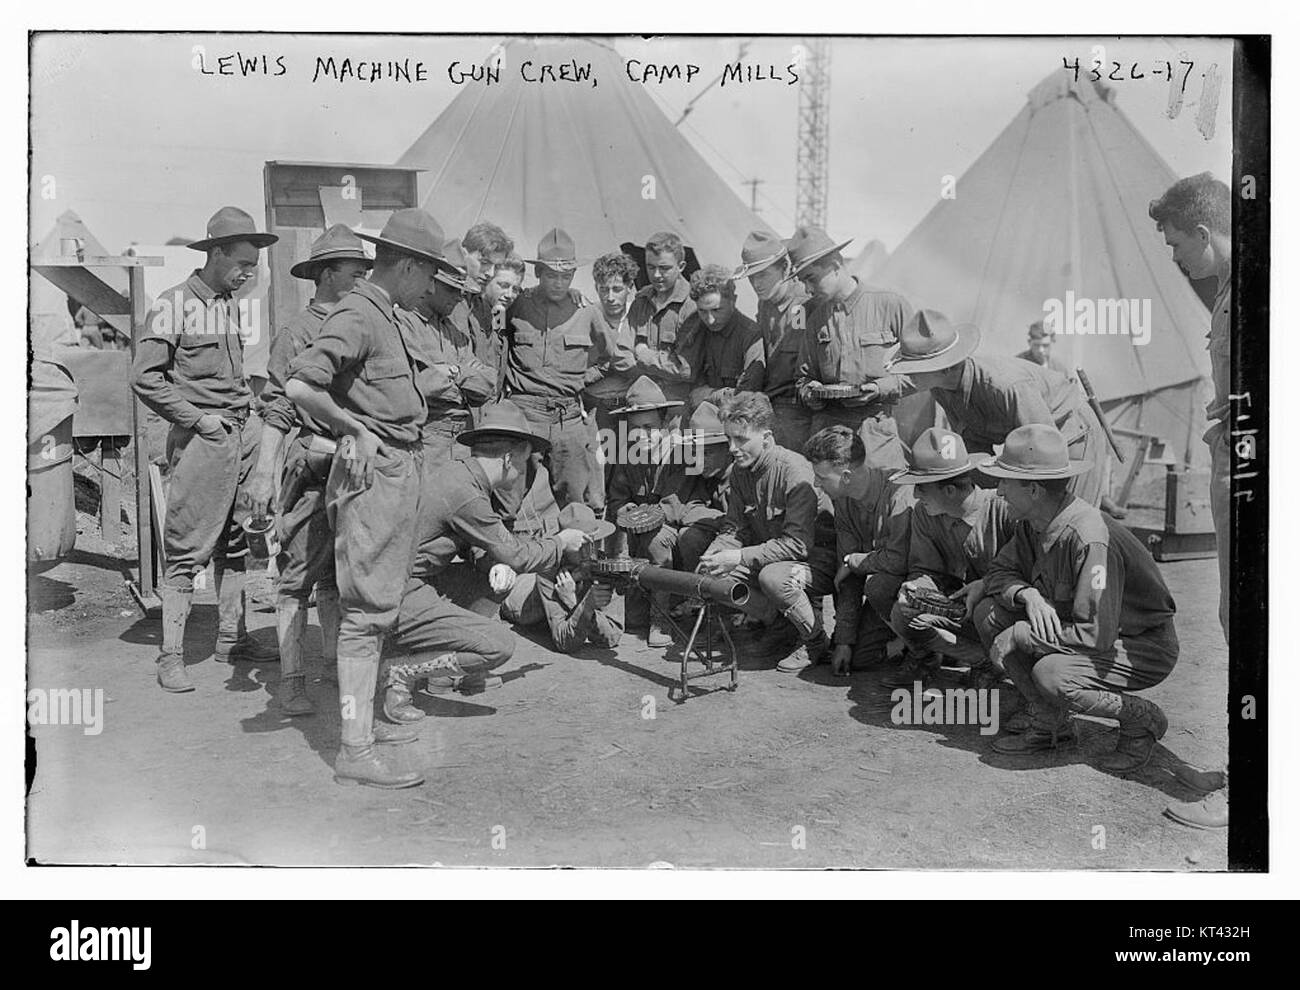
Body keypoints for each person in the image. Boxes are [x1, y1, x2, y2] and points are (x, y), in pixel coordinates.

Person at [285, 208, 450, 789]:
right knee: (363, 613)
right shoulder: (359, 311)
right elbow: (300, 382)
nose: (432, 287)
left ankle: (364, 731)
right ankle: (354, 749)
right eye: (429, 272)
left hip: (397, 470)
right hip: (374, 475)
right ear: (405, 264)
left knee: (378, 606)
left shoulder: (386, 313)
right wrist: (353, 430)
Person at [132, 206, 281, 694]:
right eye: (241, 263)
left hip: (239, 434)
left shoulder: (227, 302)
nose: (247, 274)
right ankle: (170, 655)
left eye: (252, 267)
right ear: (215, 253)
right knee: (186, 547)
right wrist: (199, 420)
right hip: (203, 440)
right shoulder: (173, 304)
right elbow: (144, 377)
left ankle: (230, 638)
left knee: (235, 544)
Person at [975, 425, 1178, 773]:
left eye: (1006, 481)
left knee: (1053, 674)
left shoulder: (1088, 538)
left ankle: (1140, 722)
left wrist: (1022, 633)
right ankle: (1050, 723)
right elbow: (998, 574)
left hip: (1140, 645)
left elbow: (1094, 635)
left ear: (1034, 489)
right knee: (989, 613)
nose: (1000, 490)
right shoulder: (1034, 522)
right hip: (1091, 633)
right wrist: (1028, 595)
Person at [382, 400, 588, 718]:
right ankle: (397, 672)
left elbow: (471, 540)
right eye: (524, 462)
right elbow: (517, 555)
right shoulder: (465, 491)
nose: (523, 472)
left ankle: (439, 670)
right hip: (398, 592)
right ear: (508, 458)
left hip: (400, 582)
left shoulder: (458, 476)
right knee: (499, 645)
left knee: (493, 575)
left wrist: (492, 563)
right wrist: (561, 542)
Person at [249, 224, 371, 714]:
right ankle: (293, 680)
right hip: (314, 467)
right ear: (325, 274)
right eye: (354, 271)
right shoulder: (297, 332)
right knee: (298, 575)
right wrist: (264, 472)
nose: (363, 278)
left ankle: (337, 670)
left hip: (358, 470)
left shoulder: (364, 324)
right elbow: (278, 407)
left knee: (344, 579)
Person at [1149, 171, 1232, 830]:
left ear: (1204, 231)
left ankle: (1259, 795)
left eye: (1178, 244)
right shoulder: (1231, 291)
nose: (1174, 259)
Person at [887, 308, 1106, 506]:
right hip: (1039, 436)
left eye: (914, 368)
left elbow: (1043, 448)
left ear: (944, 368)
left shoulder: (1005, 386)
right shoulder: (941, 387)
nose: (908, 375)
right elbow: (974, 449)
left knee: (1064, 515)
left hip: (1069, 432)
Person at [502, 228, 634, 510]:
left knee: (576, 498)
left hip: (568, 419)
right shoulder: (518, 304)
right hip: (524, 414)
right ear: (537, 272)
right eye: (551, 275)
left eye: (566, 276)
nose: (559, 283)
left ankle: (577, 555)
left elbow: (615, 357)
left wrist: (583, 379)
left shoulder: (586, 311)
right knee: (509, 494)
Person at [882, 427, 1016, 691]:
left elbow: (1028, 572)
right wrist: (917, 588)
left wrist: (987, 586)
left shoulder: (1003, 511)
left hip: (1001, 610)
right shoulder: (924, 513)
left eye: (921, 488)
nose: (916, 495)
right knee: (903, 611)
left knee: (985, 611)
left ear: (951, 491)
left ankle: (1009, 665)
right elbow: (925, 568)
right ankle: (982, 661)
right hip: (959, 606)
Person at [698, 392, 824, 671]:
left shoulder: (794, 472)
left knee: (773, 577)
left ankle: (815, 641)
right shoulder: (742, 471)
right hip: (772, 555)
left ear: (766, 438)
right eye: (729, 439)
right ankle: (779, 626)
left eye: (741, 439)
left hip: (815, 562)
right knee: (713, 574)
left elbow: (798, 545)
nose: (731, 447)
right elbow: (734, 526)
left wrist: (738, 556)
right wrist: (717, 551)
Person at [788, 225, 912, 479]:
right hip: (830, 436)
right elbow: (802, 378)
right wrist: (810, 392)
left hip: (875, 433)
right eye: (803, 283)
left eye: (811, 279)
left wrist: (881, 388)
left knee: (885, 500)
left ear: (835, 264)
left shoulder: (889, 304)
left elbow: (923, 371)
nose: (808, 290)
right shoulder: (815, 319)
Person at [801, 423, 913, 676]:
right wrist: (843, 641)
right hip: (884, 587)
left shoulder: (900, 494)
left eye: (822, 476)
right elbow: (849, 574)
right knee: (860, 658)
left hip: (911, 589)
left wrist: (855, 560)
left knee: (879, 584)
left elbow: (898, 562)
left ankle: (924, 650)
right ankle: (900, 643)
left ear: (847, 477)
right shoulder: (843, 501)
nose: (817, 484)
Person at [398, 242, 496, 467]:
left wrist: (452, 372)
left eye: (462, 291)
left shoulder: (454, 331)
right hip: (425, 438)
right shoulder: (404, 323)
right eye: (452, 289)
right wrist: (465, 376)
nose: (460, 297)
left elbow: (487, 384)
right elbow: (419, 385)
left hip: (462, 439)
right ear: (430, 283)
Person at [604, 376, 684, 647]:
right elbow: (617, 498)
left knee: (657, 541)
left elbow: (675, 505)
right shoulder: (627, 454)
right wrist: (623, 509)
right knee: (615, 531)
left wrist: (641, 516)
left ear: (663, 424)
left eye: (649, 427)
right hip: (637, 525)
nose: (642, 435)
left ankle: (661, 619)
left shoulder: (679, 453)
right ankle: (627, 599)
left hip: (674, 528)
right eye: (635, 428)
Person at [498, 503, 623, 653]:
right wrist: (584, 606)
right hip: (517, 598)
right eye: (581, 545)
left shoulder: (604, 567)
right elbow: (564, 642)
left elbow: (612, 636)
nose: (588, 552)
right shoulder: (548, 571)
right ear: (567, 544)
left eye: (594, 542)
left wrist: (574, 603)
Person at [737, 231, 812, 452]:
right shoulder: (766, 303)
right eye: (752, 277)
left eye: (763, 275)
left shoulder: (801, 306)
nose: (756, 284)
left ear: (785, 268)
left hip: (794, 409)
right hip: (769, 402)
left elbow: (798, 362)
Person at [680, 264, 765, 409]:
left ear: (734, 300)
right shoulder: (696, 328)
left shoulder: (750, 335)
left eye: (717, 310)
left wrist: (709, 395)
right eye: (702, 311)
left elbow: (748, 394)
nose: (710, 319)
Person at [628, 231, 697, 407]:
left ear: (681, 266)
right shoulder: (642, 300)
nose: (657, 275)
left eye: (664, 268)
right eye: (651, 267)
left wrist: (644, 354)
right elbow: (622, 353)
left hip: (678, 406)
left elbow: (685, 368)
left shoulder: (692, 306)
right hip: (643, 403)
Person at [582, 251, 642, 437]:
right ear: (596, 287)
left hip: (632, 404)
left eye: (617, 289)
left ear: (629, 286)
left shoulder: (638, 316)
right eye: (603, 289)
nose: (609, 297)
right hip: (596, 405)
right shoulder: (587, 315)